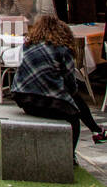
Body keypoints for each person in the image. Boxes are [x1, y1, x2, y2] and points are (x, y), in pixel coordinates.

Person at [11, 15, 107, 150]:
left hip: (22, 97)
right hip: (43, 100)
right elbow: (70, 82)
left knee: (73, 101)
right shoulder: (62, 49)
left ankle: (96, 130)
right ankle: (72, 153)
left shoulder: (28, 46)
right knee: (74, 117)